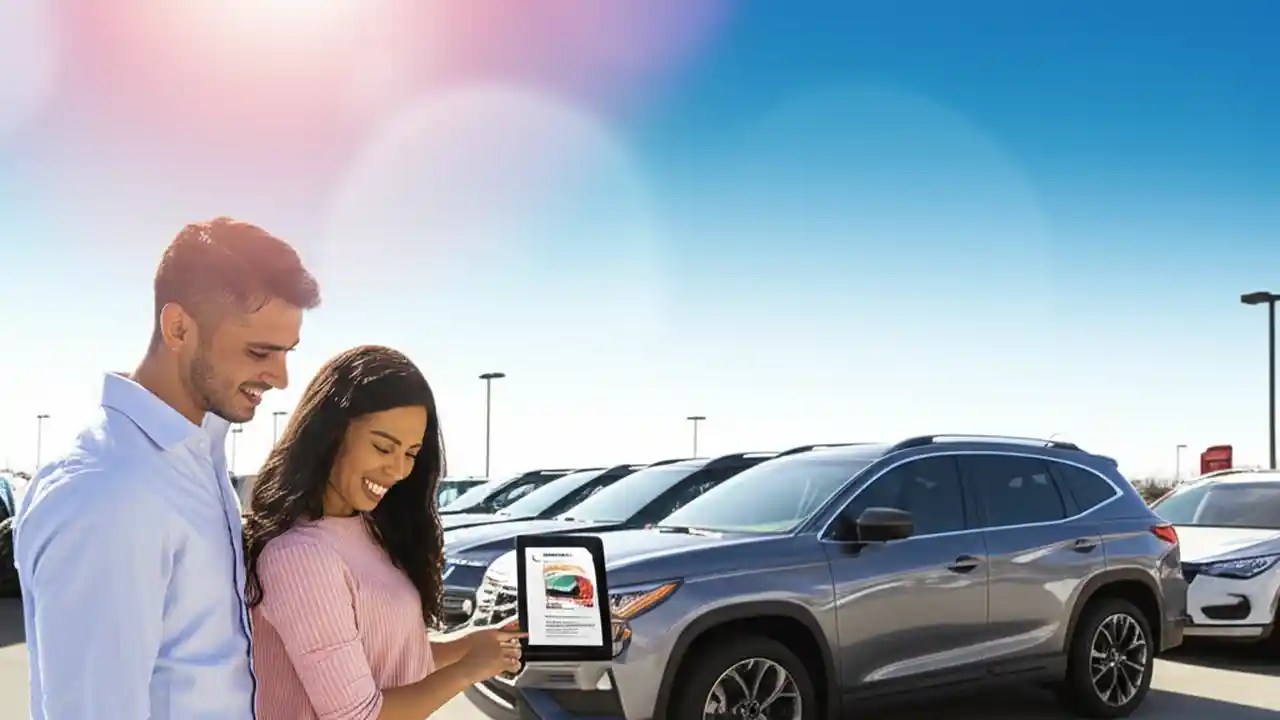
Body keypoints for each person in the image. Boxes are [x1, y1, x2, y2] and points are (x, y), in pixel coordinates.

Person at [13, 217, 321, 719]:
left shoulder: (194, 458)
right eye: (260, 352)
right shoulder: (108, 491)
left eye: (287, 353)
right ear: (178, 328)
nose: (282, 378)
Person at [244, 345, 524, 719]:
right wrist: (470, 668)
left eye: (410, 453)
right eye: (383, 447)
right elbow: (357, 716)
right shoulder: (299, 557)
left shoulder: (366, 526)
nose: (397, 470)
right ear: (331, 432)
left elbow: (385, 656)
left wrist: (471, 645)